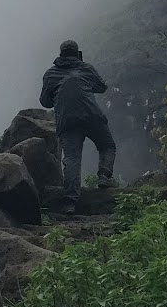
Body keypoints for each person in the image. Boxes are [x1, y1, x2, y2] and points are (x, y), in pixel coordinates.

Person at [39, 40, 116, 211]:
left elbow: (44, 102)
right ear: (77, 53)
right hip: (92, 116)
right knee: (107, 145)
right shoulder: (86, 68)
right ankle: (104, 176)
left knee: (72, 158)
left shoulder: (51, 74)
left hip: (67, 121)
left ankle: (70, 202)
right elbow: (102, 87)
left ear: (61, 54)